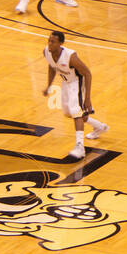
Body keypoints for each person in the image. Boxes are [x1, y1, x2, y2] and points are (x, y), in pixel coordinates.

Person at [43, 30, 108, 161]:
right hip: (66, 82)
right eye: (49, 40)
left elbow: (88, 73)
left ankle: (80, 147)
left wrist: (88, 98)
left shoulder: (71, 57)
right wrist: (49, 86)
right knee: (69, 113)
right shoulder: (46, 52)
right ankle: (99, 126)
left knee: (76, 112)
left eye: (53, 42)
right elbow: (52, 67)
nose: (50, 44)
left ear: (61, 43)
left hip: (77, 82)